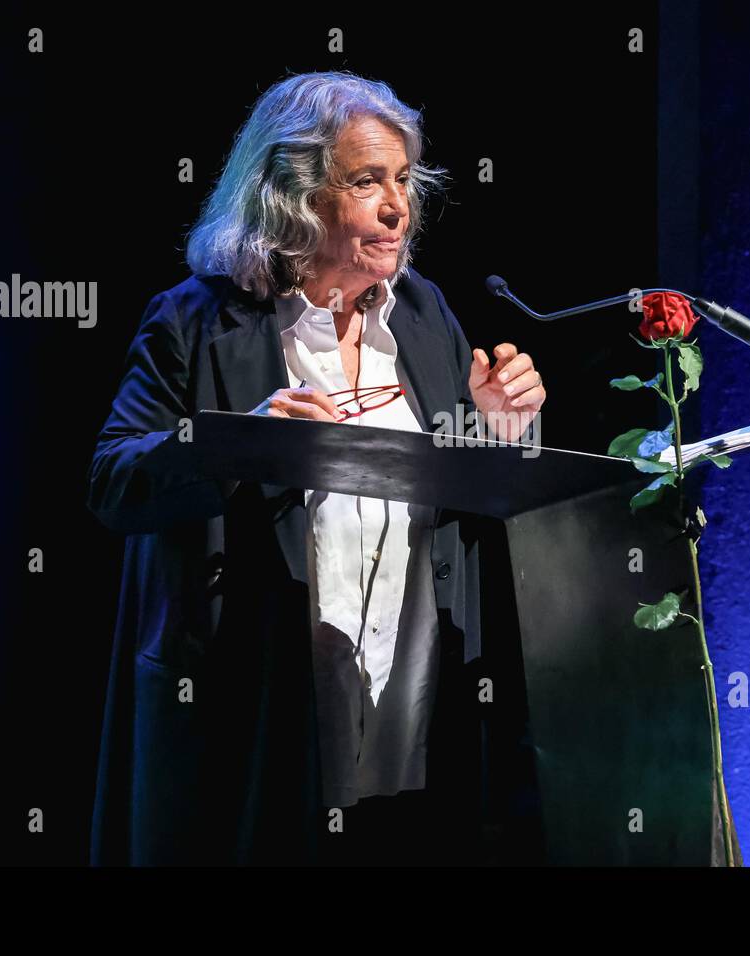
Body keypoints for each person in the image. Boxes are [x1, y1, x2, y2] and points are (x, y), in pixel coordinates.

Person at [86, 71, 546, 866]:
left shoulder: (425, 313)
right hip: (258, 710)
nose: (398, 207)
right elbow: (113, 483)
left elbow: (455, 492)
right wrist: (239, 442)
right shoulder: (196, 321)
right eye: (367, 182)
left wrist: (498, 427)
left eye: (403, 181)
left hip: (409, 713)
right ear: (292, 193)